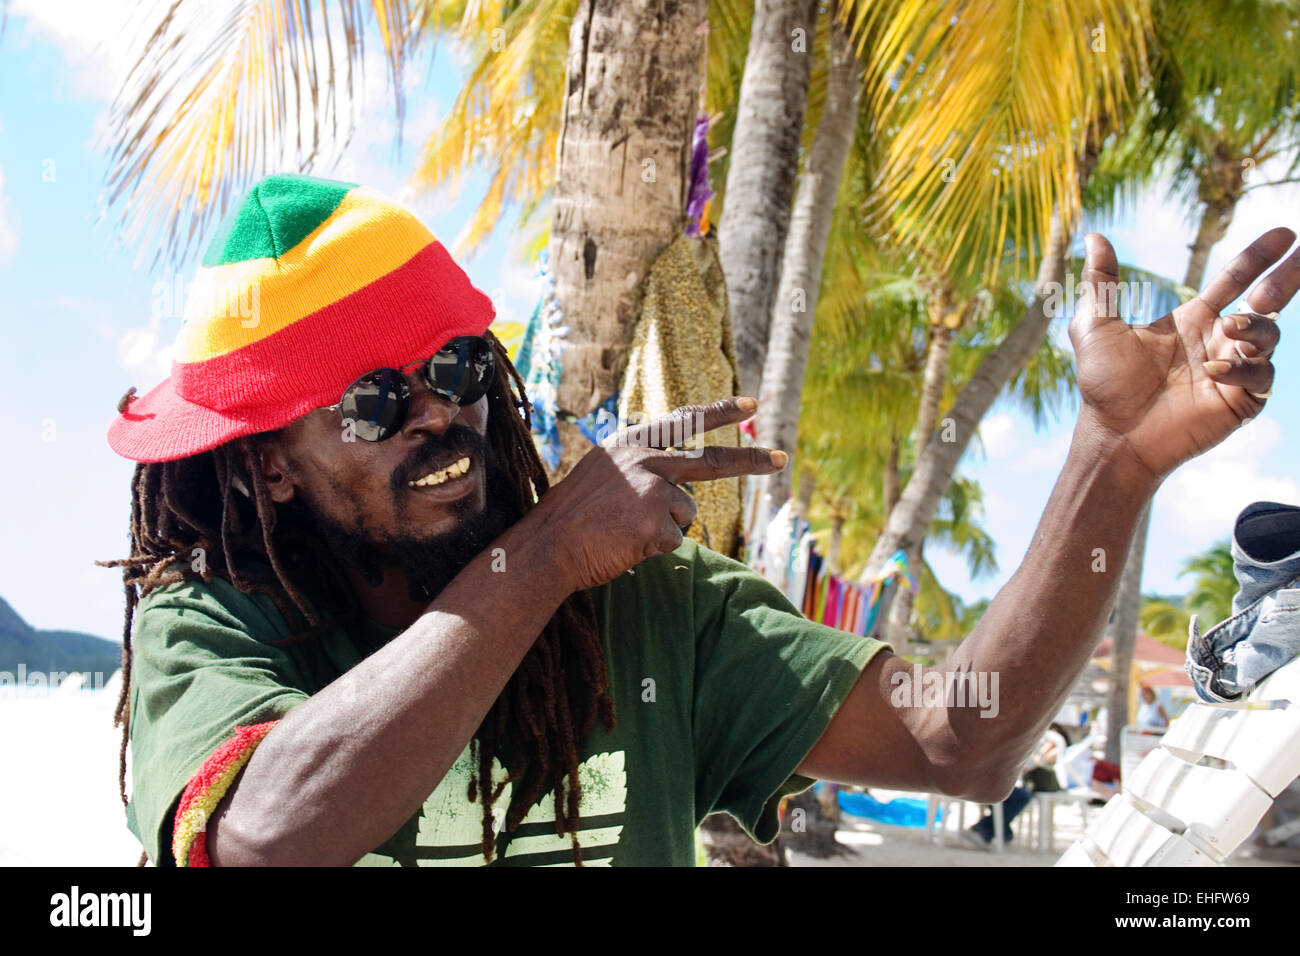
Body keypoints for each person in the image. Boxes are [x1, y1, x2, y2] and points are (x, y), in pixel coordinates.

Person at [102, 173, 1299, 867]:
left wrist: (1111, 461)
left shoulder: (647, 609)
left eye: (459, 370)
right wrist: (546, 553)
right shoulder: (216, 628)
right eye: (373, 401)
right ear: (266, 470)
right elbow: (261, 837)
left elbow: (961, 743)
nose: (441, 417)